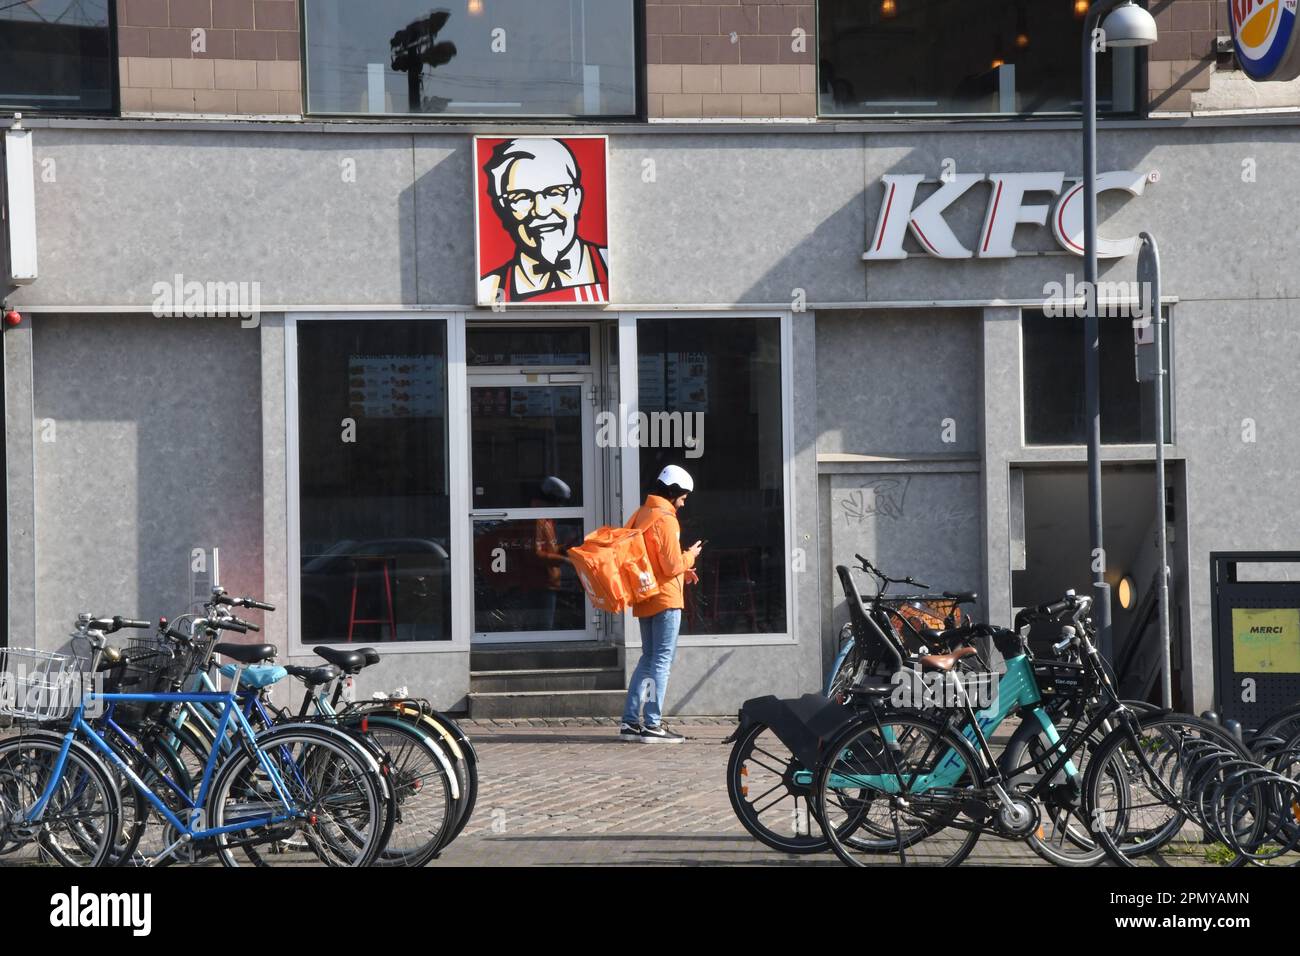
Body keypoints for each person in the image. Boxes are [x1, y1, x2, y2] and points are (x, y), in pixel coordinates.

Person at [619, 465, 703, 743]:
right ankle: (652, 724)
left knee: (648, 658)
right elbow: (670, 564)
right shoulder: (667, 518)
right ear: (673, 491)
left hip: (646, 595)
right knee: (661, 661)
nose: (683, 501)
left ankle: (630, 722)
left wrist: (681, 567)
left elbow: (655, 559)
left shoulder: (641, 514)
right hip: (666, 597)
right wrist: (689, 557)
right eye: (683, 496)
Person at [478, 137, 610, 304]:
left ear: (577, 198)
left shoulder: (612, 267)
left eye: (555, 192)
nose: (541, 211)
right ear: (503, 209)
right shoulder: (488, 290)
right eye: (521, 197)